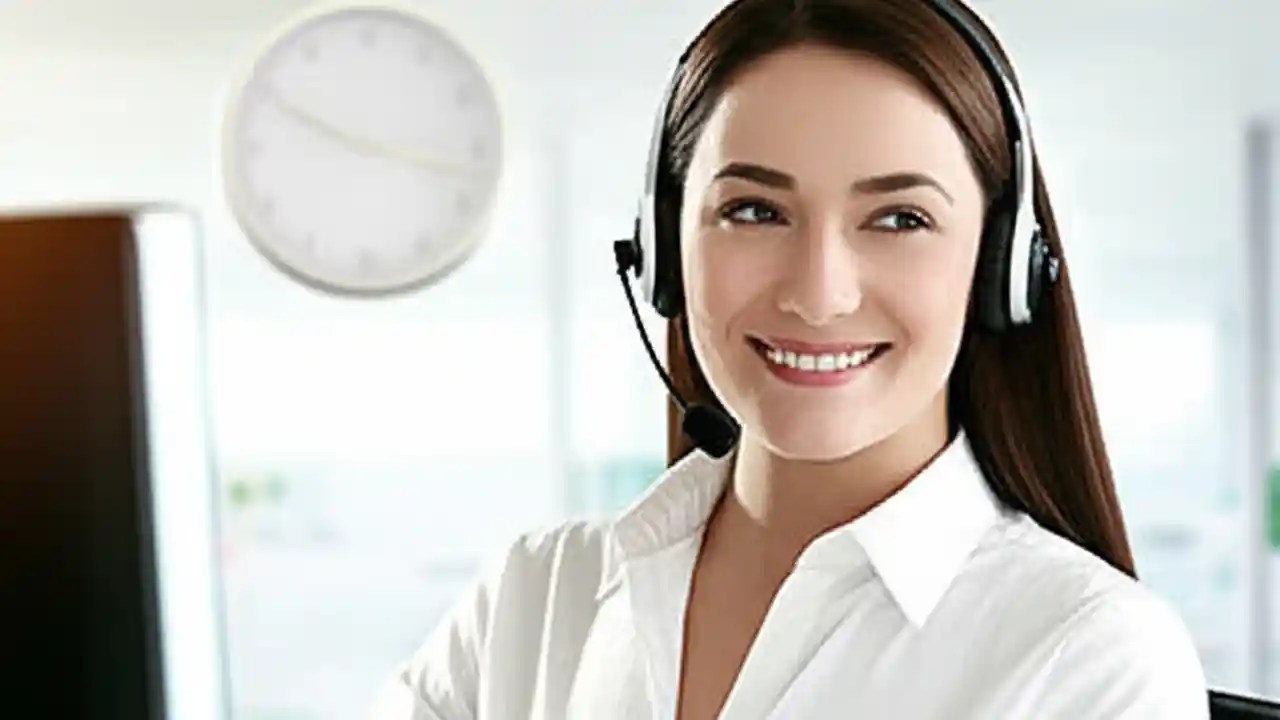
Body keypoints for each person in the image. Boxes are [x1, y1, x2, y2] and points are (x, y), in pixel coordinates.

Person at [369, 0, 1210, 717]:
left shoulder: (1089, 657)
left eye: (900, 219)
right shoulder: (535, 602)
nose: (818, 293)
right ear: (664, 249)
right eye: (755, 211)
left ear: (1000, 269)